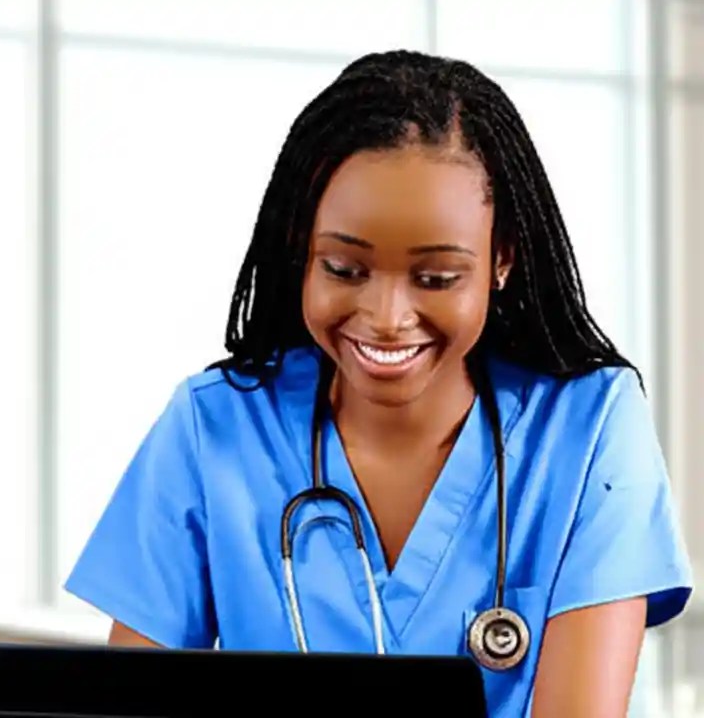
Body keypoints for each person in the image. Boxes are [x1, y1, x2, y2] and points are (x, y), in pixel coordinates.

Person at [63, 50, 693, 717]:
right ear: (301, 249)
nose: (387, 319)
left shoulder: (589, 428)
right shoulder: (211, 427)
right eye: (344, 268)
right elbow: (128, 710)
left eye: (436, 278)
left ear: (501, 257)